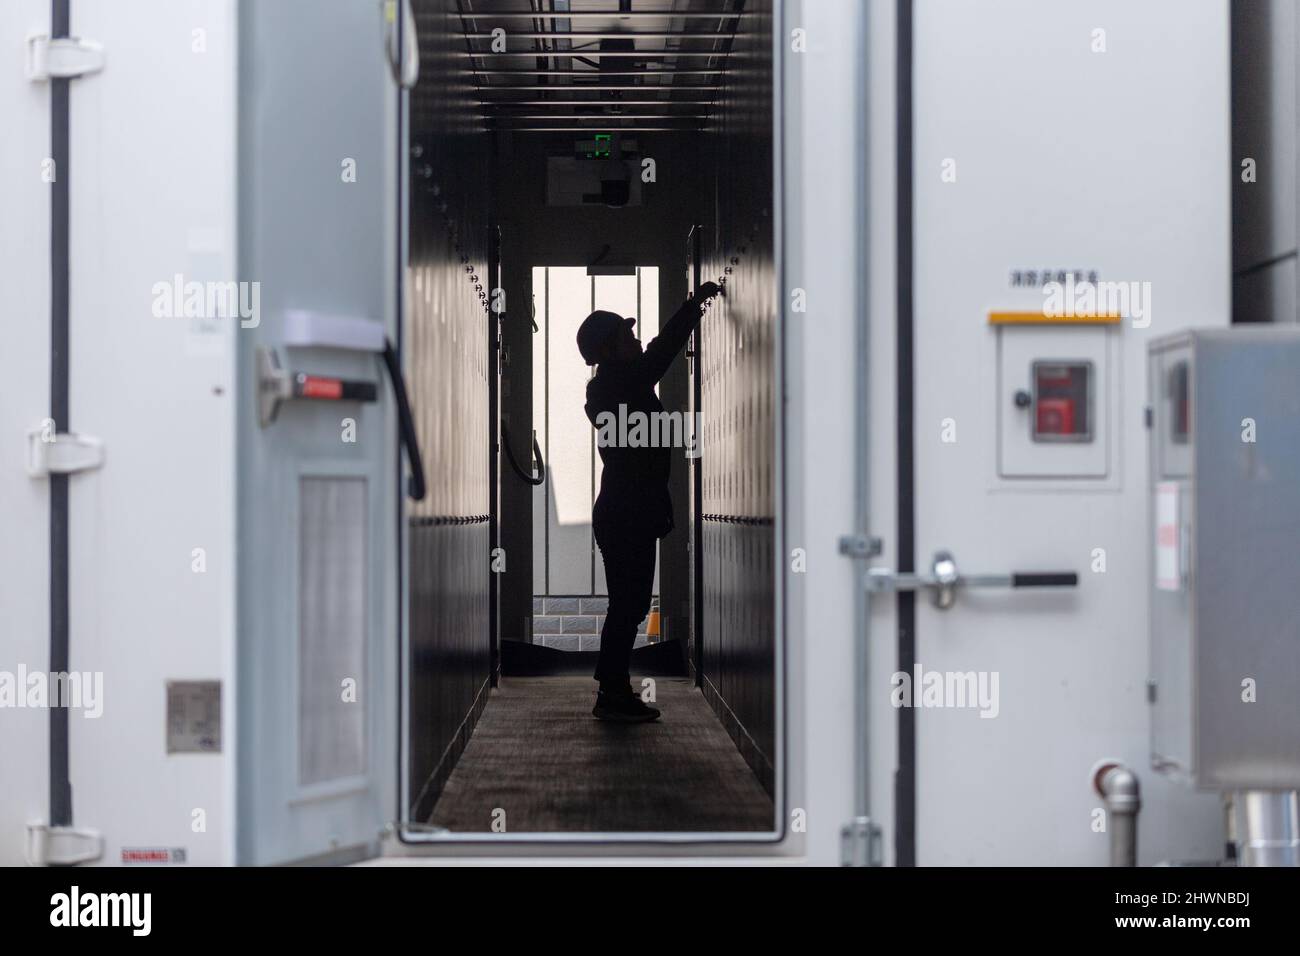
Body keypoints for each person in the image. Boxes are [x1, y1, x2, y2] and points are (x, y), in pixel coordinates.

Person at [576, 281, 723, 722]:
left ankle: (612, 690)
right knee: (629, 604)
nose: (636, 340)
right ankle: (612, 694)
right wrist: (693, 306)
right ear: (610, 348)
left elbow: (655, 351)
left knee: (628, 603)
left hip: (625, 512)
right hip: (628, 515)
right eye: (627, 335)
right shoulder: (619, 384)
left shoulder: (616, 384)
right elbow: (662, 349)